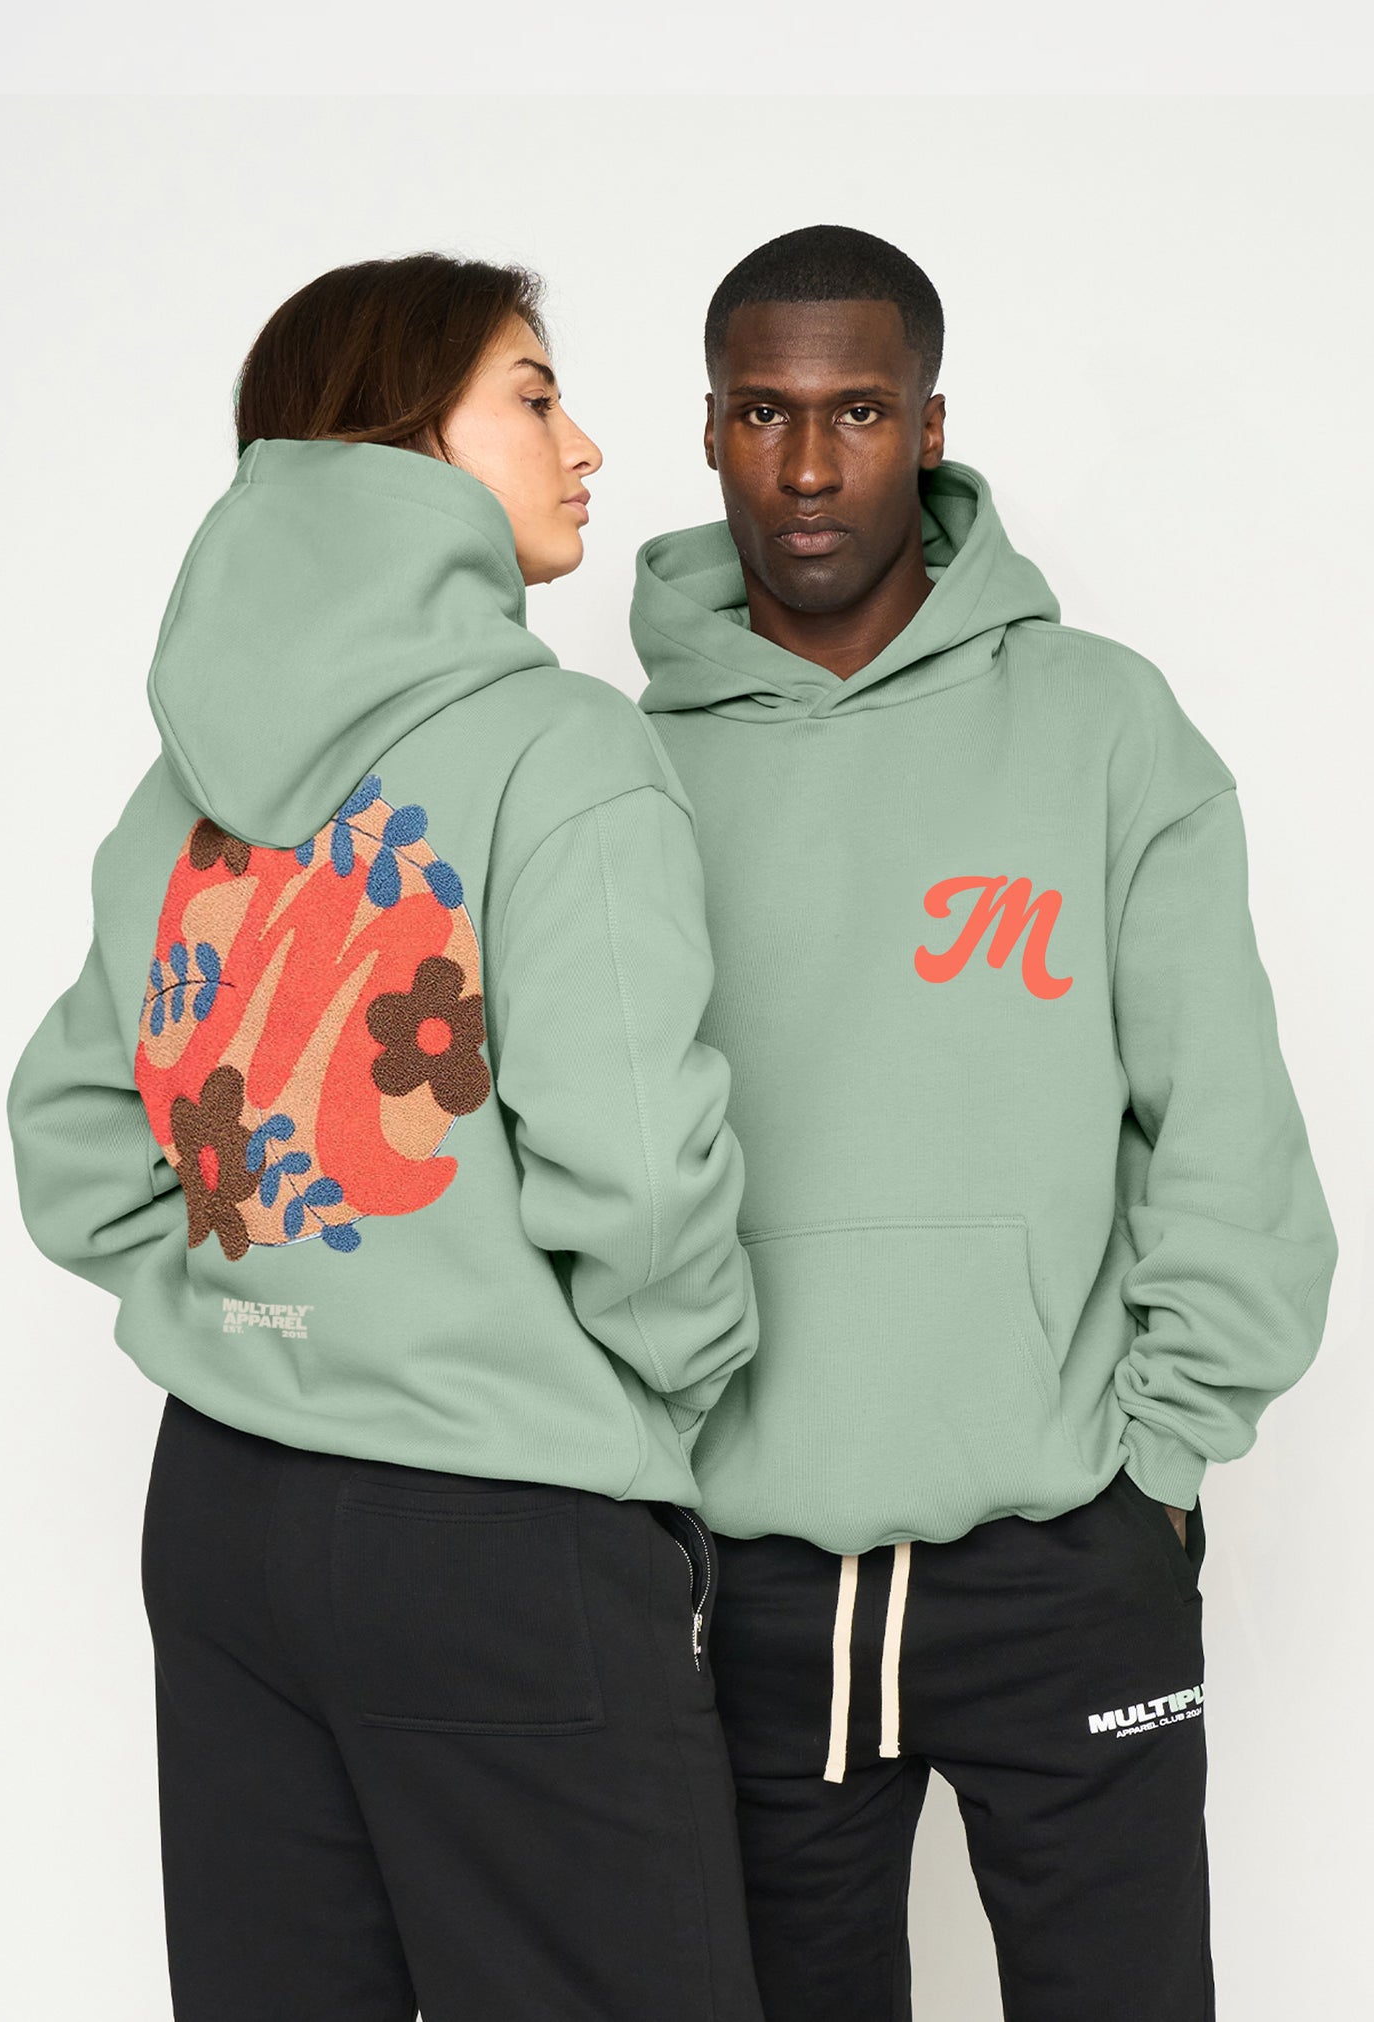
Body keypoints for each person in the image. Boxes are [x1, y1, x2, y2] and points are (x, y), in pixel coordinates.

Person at [8, 252, 765, 2022]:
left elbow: (72, 1134)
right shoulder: (560, 752)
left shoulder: (185, 782)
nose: (586, 443)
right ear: (408, 442)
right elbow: (638, 1175)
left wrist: (260, 1308)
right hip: (501, 1526)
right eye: (533, 395)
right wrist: (676, 1388)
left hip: (223, 1512)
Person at [630, 224, 1338, 2022]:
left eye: (859, 411)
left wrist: (1157, 1470)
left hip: (1064, 1554)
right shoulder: (621, 773)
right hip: (747, 1582)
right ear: (708, 430)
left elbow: (1227, 1131)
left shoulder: (1105, 725)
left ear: (932, 425)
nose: (809, 466)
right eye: (765, 413)